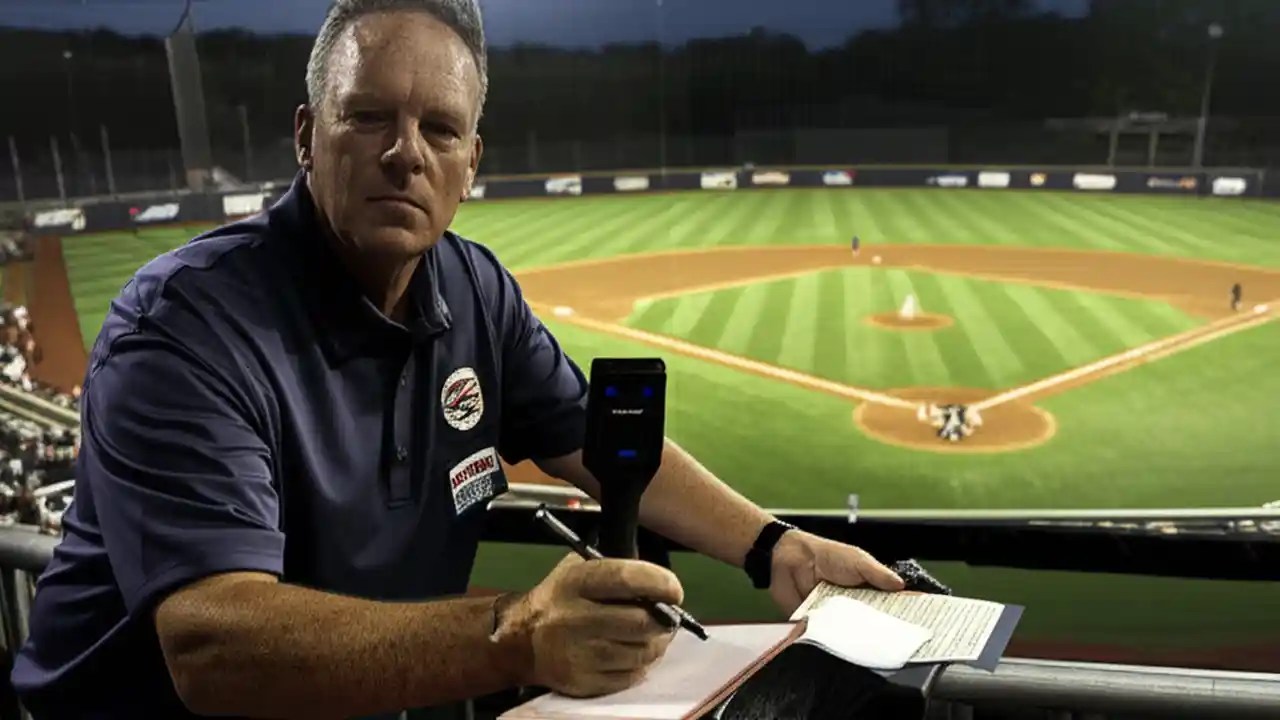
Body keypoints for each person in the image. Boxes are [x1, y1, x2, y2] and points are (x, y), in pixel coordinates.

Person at [9, 2, 904, 719]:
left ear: (471, 162)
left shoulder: (476, 289)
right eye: (368, 118)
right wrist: (515, 632)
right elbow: (212, 646)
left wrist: (776, 545)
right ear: (304, 134)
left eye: (440, 129)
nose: (405, 153)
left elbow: (593, 438)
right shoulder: (184, 326)